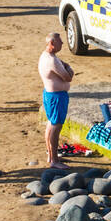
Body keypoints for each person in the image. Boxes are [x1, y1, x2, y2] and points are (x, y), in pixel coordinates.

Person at [38, 32, 74, 169]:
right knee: (55, 127)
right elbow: (68, 77)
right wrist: (70, 68)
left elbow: (61, 66)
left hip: (50, 94)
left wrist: (64, 64)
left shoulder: (46, 56)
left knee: (50, 125)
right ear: (52, 44)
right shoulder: (52, 60)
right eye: (60, 42)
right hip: (56, 97)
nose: (63, 44)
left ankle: (51, 155)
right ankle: (54, 160)